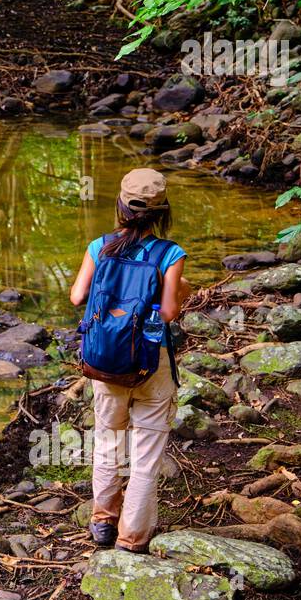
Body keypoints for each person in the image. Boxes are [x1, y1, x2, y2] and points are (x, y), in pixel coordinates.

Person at [68, 168, 188, 552]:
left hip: (104, 360)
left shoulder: (97, 246)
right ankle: (131, 538)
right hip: (151, 361)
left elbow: (76, 297)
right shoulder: (169, 253)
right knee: (146, 454)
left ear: (120, 207)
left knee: (107, 442)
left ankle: (102, 523)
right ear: (161, 212)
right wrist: (182, 288)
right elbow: (168, 313)